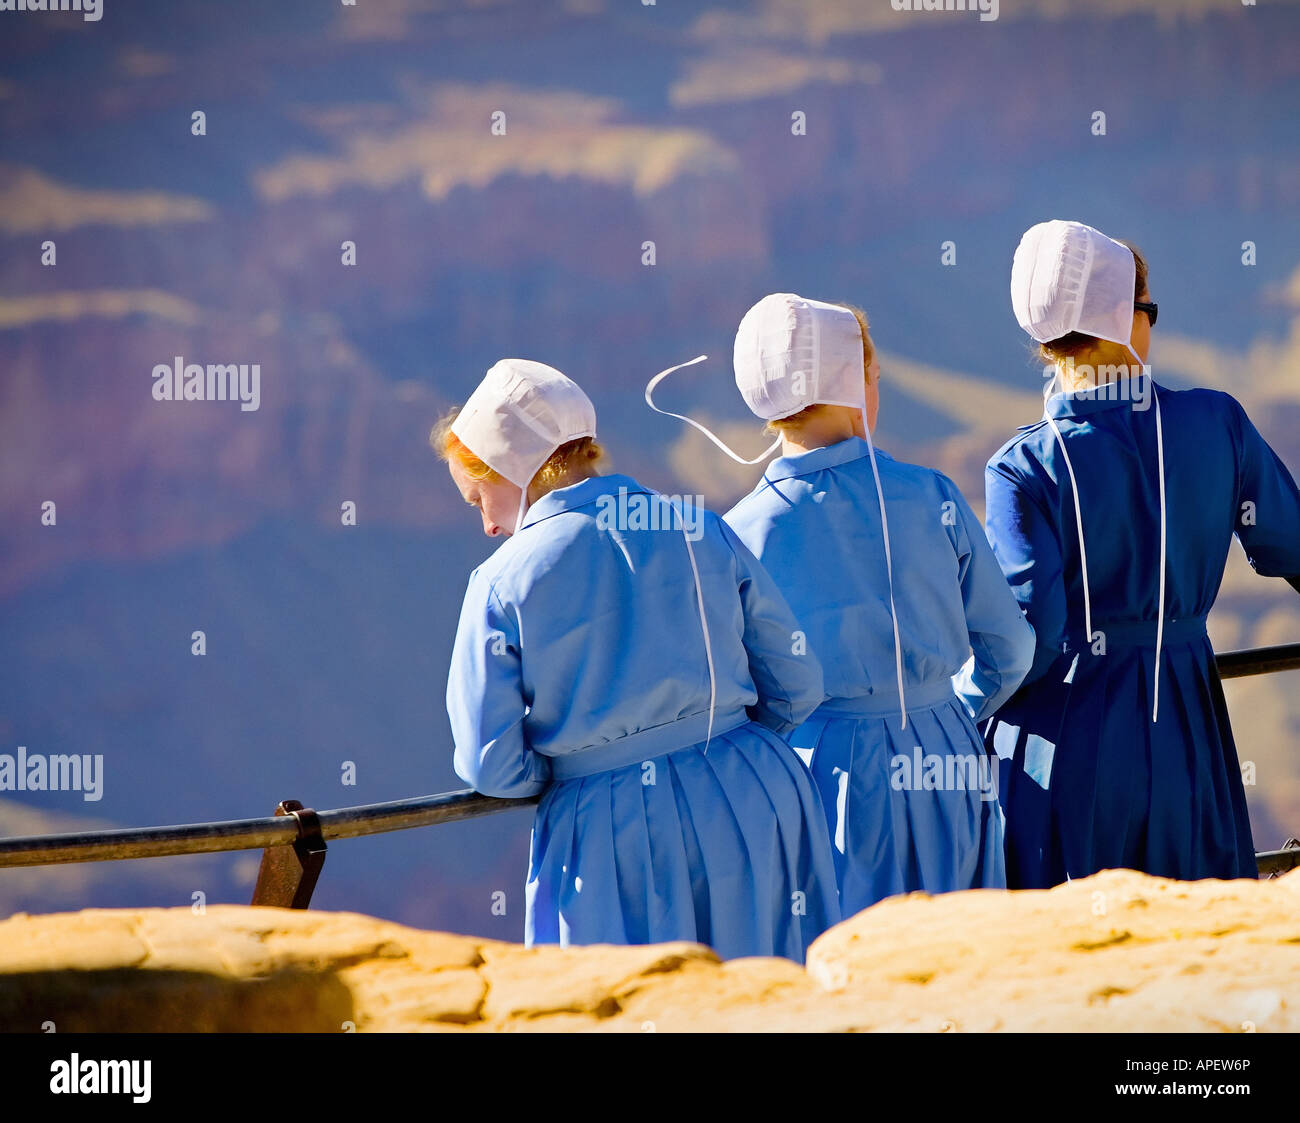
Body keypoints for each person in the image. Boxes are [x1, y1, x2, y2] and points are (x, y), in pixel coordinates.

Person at [434, 358, 840, 961]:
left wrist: (573, 771)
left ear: (508, 467)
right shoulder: (699, 525)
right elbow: (796, 681)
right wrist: (728, 744)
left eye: (479, 498)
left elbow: (488, 763)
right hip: (756, 793)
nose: (489, 524)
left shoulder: (499, 583)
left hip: (607, 826)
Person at [647, 294, 1034, 917]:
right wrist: (952, 708)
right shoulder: (931, 492)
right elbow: (1009, 648)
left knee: (850, 955)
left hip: (823, 768)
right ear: (857, 382)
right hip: (946, 749)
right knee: (964, 944)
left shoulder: (739, 532)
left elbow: (722, 695)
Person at [984, 219, 1300, 887]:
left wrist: (959, 702)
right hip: (1187, 722)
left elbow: (1030, 640)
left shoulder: (1022, 468)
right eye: (1147, 306)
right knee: (1196, 919)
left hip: (1068, 736)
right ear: (1125, 321)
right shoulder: (1218, 424)